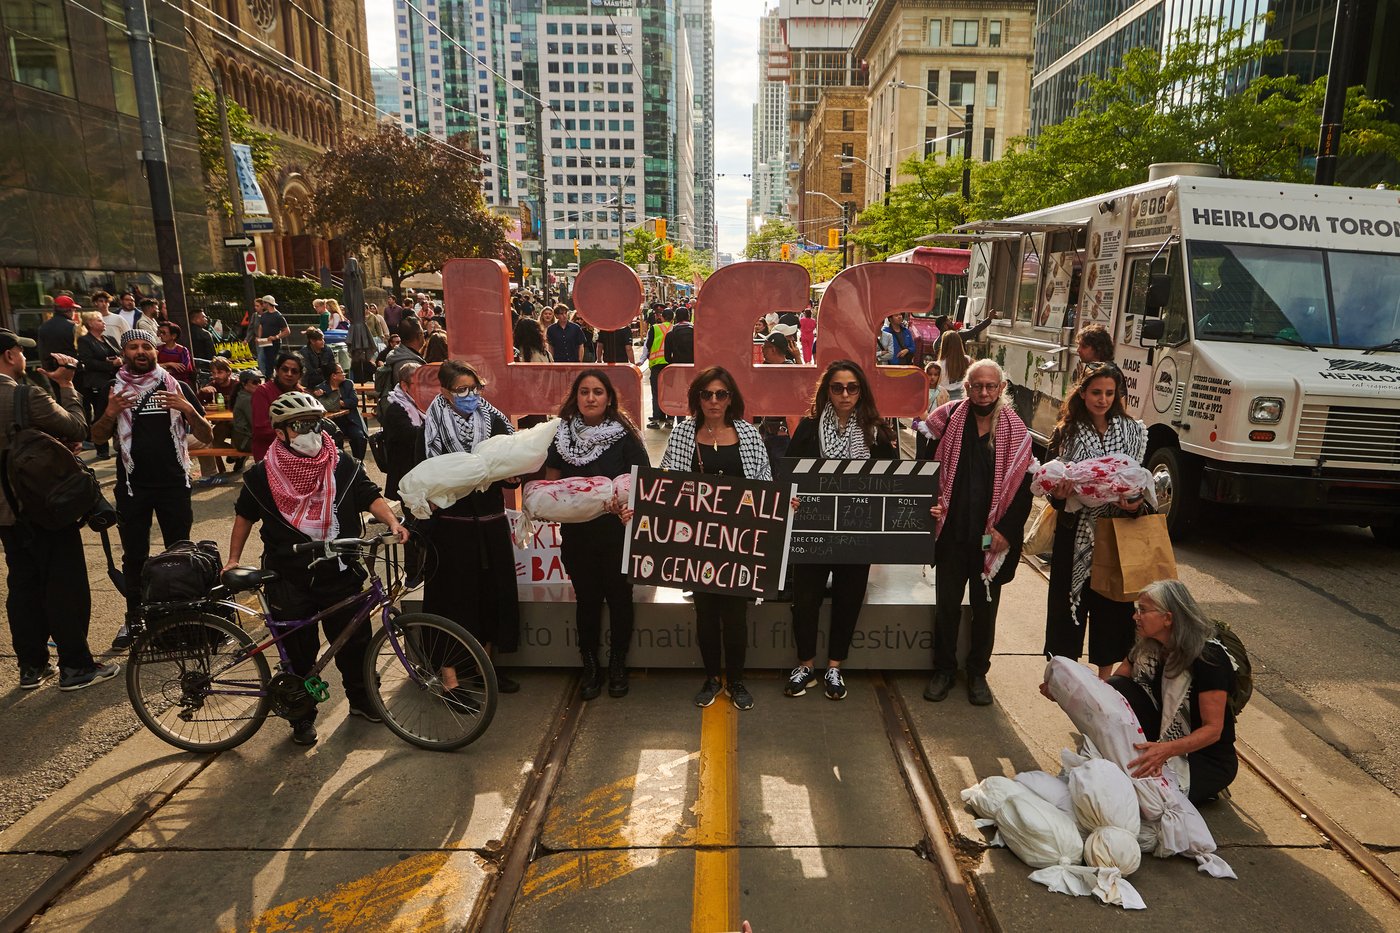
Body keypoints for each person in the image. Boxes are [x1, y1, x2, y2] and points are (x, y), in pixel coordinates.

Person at [224, 391, 411, 746]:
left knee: (355, 643)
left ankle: (363, 701)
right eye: (300, 425)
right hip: (289, 576)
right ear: (281, 432)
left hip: (340, 569)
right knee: (299, 653)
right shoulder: (262, 474)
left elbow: (370, 495)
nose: (311, 431)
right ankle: (301, 716)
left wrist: (392, 522)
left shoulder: (341, 463)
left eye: (316, 423)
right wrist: (233, 559)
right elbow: (244, 515)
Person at [1045, 580, 1238, 804]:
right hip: (1160, 737)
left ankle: (1203, 787)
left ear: (1168, 618)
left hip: (1205, 758)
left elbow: (1213, 730)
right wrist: (1064, 692)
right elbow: (1107, 693)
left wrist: (1165, 750)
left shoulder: (1209, 658)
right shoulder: (1149, 646)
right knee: (1118, 686)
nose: (1135, 616)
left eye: (1143, 611)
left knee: (1144, 798)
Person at [0, 329, 118, 691]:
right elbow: (77, 427)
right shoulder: (25, 395)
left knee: (23, 586)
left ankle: (32, 666)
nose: (24, 357)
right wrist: (66, 386)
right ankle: (76, 666)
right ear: (9, 355)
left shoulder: (24, 396)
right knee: (64, 585)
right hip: (45, 505)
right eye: (21, 351)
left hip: (6, 514)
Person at [660, 367, 776, 711]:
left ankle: (736, 680)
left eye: (720, 394)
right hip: (697, 541)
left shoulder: (749, 435)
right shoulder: (682, 434)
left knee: (736, 614)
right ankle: (712, 678)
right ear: (697, 398)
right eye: (706, 394)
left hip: (739, 541)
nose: (713, 400)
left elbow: (765, 481)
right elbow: (666, 481)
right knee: (706, 612)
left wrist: (781, 504)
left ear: (730, 399)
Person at [920, 359, 1034, 706]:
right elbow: (925, 472)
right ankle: (943, 670)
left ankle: (977, 673)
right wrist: (930, 504)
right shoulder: (946, 421)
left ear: (1002, 388)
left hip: (990, 538)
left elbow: (1023, 489)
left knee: (985, 610)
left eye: (990, 386)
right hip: (951, 535)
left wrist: (1006, 531)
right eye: (977, 386)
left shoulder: (1016, 431)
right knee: (947, 606)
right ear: (967, 387)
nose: (984, 392)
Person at [90, 330, 213, 649]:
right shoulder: (113, 389)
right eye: (133, 346)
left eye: (146, 346)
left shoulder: (176, 386)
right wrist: (110, 412)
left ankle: (181, 618)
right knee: (135, 556)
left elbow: (207, 436)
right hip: (133, 486)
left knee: (180, 553)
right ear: (124, 353)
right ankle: (135, 618)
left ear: (155, 351)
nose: (141, 351)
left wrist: (187, 409)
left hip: (174, 484)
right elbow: (97, 437)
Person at [783, 361, 897, 701]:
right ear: (827, 391)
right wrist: (789, 498)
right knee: (805, 599)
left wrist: (921, 508)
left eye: (852, 387)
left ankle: (834, 667)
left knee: (849, 599)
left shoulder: (876, 432)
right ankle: (805, 665)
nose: (845, 394)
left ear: (861, 391)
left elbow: (896, 483)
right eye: (837, 387)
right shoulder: (808, 429)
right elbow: (787, 475)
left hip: (856, 534)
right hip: (812, 532)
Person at [543, 370, 649, 699]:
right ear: (575, 397)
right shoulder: (561, 436)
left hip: (617, 534)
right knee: (586, 600)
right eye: (584, 391)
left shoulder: (625, 435)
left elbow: (643, 481)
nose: (591, 398)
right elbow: (551, 483)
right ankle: (590, 665)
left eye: (598, 392)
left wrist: (627, 505)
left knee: (619, 599)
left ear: (609, 398)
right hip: (578, 535)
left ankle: (617, 664)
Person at [1043, 361, 1152, 678]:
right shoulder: (1066, 432)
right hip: (1074, 532)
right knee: (1067, 610)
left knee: (1113, 609)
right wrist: (1060, 494)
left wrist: (1133, 505)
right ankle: (1065, 679)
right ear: (1082, 393)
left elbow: (1139, 485)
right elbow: (1050, 488)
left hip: (1117, 533)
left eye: (1109, 393)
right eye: (1096, 392)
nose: (1102, 399)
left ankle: (1105, 683)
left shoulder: (1132, 431)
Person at [420, 361, 521, 692]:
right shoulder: (431, 424)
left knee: (492, 595)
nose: (470, 395)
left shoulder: (493, 418)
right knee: (452, 599)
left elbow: (511, 459)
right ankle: (449, 678)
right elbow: (425, 475)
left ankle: (485, 669)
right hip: (451, 528)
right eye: (461, 390)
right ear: (445, 392)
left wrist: (512, 475)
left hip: (490, 523)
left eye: (474, 388)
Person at [76, 312, 122, 460]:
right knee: (100, 413)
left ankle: (119, 442)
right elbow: (87, 361)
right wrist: (109, 364)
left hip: (115, 380)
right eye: (99, 320)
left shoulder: (109, 339)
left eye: (102, 320)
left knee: (118, 412)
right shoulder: (85, 340)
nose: (103, 323)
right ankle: (102, 448)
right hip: (97, 383)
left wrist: (119, 360)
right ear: (90, 324)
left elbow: (120, 353)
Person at [379, 361, 426, 502]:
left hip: (418, 464)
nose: (423, 388)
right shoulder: (396, 408)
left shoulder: (420, 403)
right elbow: (412, 436)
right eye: (418, 384)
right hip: (406, 472)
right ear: (405, 386)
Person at [251, 352, 304, 461]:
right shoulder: (263, 392)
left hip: (298, 450)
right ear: (277, 370)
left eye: (294, 371)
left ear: (300, 375)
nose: (289, 374)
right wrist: (293, 435)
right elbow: (261, 428)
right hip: (269, 452)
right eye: (285, 369)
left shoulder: (302, 395)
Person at [323, 364, 368, 460]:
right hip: (334, 423)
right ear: (333, 376)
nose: (344, 374)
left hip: (351, 421)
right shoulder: (322, 388)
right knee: (335, 441)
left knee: (359, 437)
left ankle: (359, 463)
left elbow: (354, 401)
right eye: (341, 372)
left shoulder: (348, 384)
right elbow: (323, 405)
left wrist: (339, 402)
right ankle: (340, 463)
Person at [644, 309, 673, 428]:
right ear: (672, 319)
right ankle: (670, 420)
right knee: (669, 393)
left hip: (656, 364)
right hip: (671, 365)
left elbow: (648, 345)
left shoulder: (655, 328)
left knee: (656, 392)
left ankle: (656, 419)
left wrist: (643, 358)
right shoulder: (674, 328)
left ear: (662, 317)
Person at [252, 295, 290, 375]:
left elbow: (287, 331)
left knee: (270, 361)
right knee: (263, 360)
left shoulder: (278, 316)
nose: (262, 305)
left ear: (267, 303)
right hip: (264, 342)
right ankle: (268, 376)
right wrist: (259, 337)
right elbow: (261, 326)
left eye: (263, 303)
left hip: (274, 343)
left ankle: (270, 376)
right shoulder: (264, 315)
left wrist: (275, 337)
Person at [37, 295, 80, 366]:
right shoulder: (73, 327)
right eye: (74, 309)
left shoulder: (43, 327)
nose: (74, 312)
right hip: (71, 366)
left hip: (51, 368)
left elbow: (41, 351)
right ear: (69, 310)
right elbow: (80, 349)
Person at [231, 368, 262, 455]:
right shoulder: (246, 399)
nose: (259, 385)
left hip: (244, 439)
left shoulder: (244, 395)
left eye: (259, 381)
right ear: (244, 384)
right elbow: (256, 423)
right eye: (254, 382)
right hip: (245, 442)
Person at [155, 322, 195, 387]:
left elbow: (185, 369)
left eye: (164, 333)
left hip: (180, 384)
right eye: (160, 332)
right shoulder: (158, 349)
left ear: (173, 336)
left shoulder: (182, 351)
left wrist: (162, 368)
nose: (161, 335)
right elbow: (153, 367)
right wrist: (169, 364)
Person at [299, 328, 336, 397]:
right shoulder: (304, 352)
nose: (323, 341)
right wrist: (322, 370)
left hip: (326, 381)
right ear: (312, 341)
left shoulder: (328, 350)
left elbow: (332, 366)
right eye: (320, 340)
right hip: (310, 383)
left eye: (323, 339)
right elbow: (309, 370)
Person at [936, 331, 971, 402]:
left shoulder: (939, 364)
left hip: (945, 398)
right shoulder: (967, 360)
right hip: (963, 397)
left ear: (944, 345)